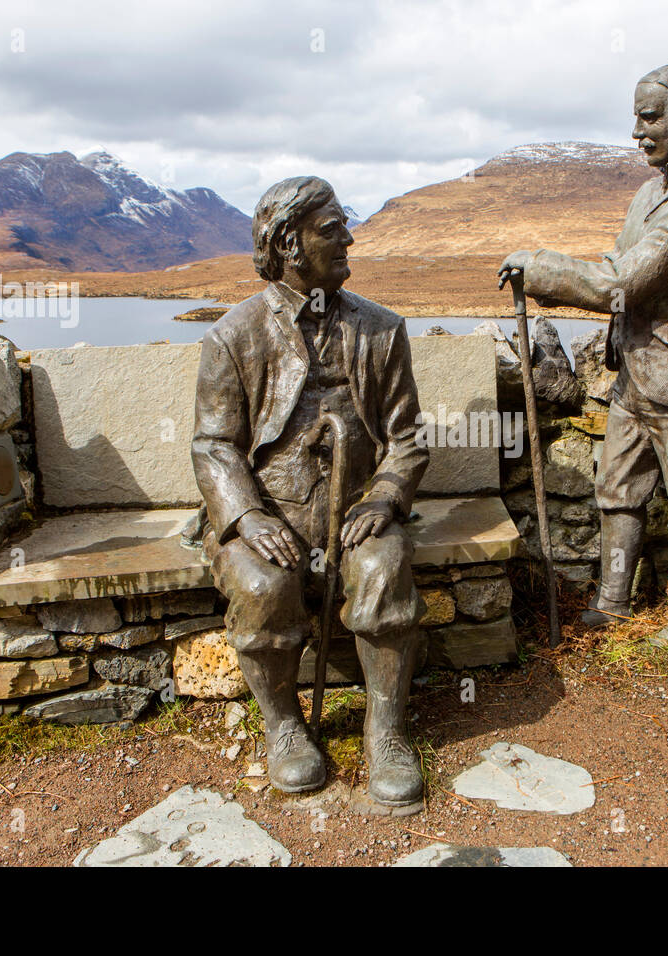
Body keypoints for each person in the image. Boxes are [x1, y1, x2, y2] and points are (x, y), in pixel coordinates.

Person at [192, 176, 428, 804]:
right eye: (331, 229)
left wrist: (383, 498)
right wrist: (244, 517)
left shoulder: (382, 330)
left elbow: (408, 439)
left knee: (383, 567)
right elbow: (213, 446)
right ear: (288, 244)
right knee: (264, 587)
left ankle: (386, 731)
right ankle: (285, 727)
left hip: (356, 514)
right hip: (268, 513)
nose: (349, 237)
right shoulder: (233, 335)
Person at [498, 64, 668, 645]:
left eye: (648, 117)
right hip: (634, 370)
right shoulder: (650, 191)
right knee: (618, 487)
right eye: (636, 116)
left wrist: (539, 267)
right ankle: (615, 597)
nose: (636, 131)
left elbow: (619, 281)